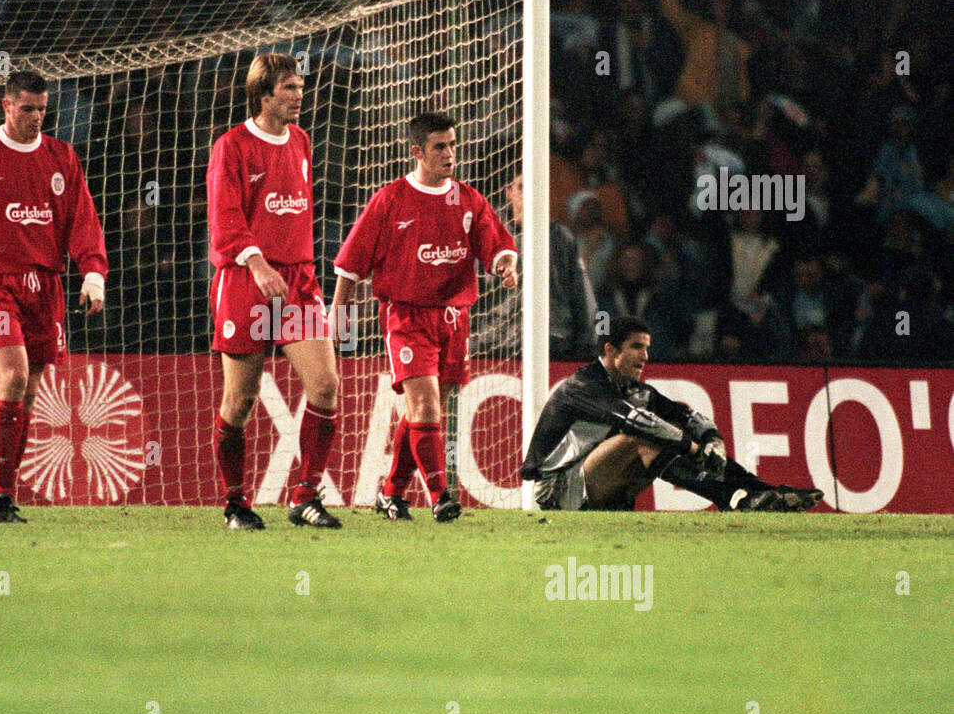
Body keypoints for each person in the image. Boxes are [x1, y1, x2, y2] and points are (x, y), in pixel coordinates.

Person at [0, 70, 108, 523]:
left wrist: (93, 273)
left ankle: (4, 496)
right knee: (13, 377)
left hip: (45, 286)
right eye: (27, 108)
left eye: (41, 109)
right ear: (6, 106)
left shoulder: (60, 157)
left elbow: (81, 220)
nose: (35, 117)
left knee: (29, 393)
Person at [331, 112, 518, 522]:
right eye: (439, 146)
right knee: (427, 408)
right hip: (406, 317)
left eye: (452, 144)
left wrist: (506, 264)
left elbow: (495, 243)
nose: (450, 154)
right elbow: (353, 258)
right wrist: (339, 308)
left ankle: (390, 493)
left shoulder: (468, 199)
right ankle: (440, 496)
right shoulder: (392, 198)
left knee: (422, 412)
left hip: (454, 318)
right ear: (417, 151)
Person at [207, 53, 341, 530]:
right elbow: (224, 216)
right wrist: (256, 261)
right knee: (240, 400)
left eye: (301, 88)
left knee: (325, 386)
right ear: (264, 96)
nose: (299, 96)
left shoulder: (301, 141)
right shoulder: (232, 146)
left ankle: (305, 496)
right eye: (289, 88)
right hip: (246, 278)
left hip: (298, 278)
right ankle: (235, 503)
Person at [521, 315, 823, 512]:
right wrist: (693, 447)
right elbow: (636, 422)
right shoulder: (583, 384)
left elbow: (686, 415)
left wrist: (711, 439)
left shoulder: (637, 390)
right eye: (636, 347)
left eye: (647, 347)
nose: (645, 356)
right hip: (556, 492)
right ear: (611, 350)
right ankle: (730, 499)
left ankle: (763, 494)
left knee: (670, 434)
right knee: (641, 437)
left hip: (598, 492)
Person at [472, 172, 596, 361]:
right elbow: (469, 294)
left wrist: (589, 346)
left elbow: (584, 297)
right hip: (495, 348)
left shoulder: (561, 238)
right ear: (509, 192)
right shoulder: (487, 236)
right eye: (522, 187)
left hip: (552, 347)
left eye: (535, 187)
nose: (529, 194)